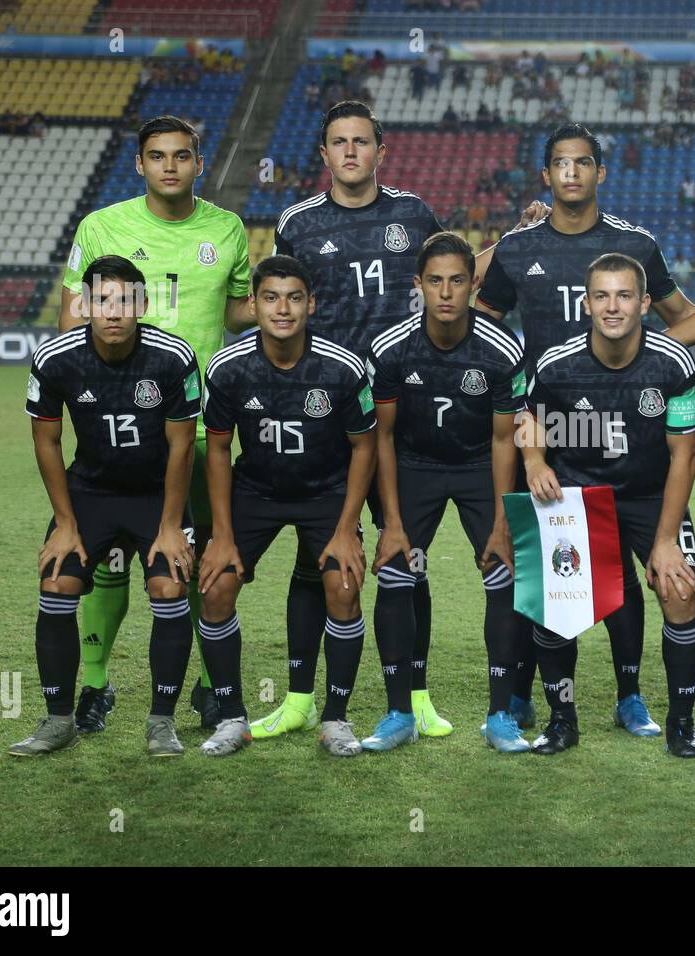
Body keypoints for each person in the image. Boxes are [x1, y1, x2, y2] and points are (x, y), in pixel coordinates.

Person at [59, 115, 252, 734]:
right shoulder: (101, 226)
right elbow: (71, 323)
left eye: (182, 156)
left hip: (201, 432)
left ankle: (206, 687)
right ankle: (93, 684)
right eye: (157, 156)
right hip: (118, 431)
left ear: (200, 161)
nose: (170, 165)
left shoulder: (227, 231)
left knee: (197, 561)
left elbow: (240, 309)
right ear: (139, 163)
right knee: (109, 561)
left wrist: (310, 293)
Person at [268, 102, 447, 738]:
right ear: (324, 154)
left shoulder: (414, 214)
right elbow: (281, 311)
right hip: (327, 414)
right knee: (314, 556)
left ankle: (416, 695)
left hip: (403, 410)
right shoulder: (297, 223)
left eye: (361, 142)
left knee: (405, 555)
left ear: (380, 150)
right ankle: (297, 698)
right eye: (338, 143)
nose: (350, 152)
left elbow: (449, 281)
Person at [12, 256, 199, 757]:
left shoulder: (173, 357)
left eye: (123, 301)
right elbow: (47, 442)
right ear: (84, 304)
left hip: (156, 494)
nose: (112, 312)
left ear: (141, 305)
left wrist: (169, 527)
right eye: (100, 300)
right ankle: (57, 721)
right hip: (90, 493)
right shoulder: (56, 358)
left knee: (169, 585)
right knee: (57, 583)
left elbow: (183, 447)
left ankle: (162, 723)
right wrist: (66, 524)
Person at [519, 254, 695, 756]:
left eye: (624, 296)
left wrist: (666, 540)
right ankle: (562, 720)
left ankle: (680, 724)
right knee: (555, 611)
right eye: (602, 296)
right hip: (578, 497)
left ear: (644, 303)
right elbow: (528, 418)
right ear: (586, 303)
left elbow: (684, 457)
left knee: (679, 591)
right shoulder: (557, 365)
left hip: (650, 497)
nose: (613, 307)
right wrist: (535, 462)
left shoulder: (675, 363)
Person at [197, 256, 378, 757]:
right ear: (253, 304)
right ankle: (232, 717)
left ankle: (335, 719)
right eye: (271, 298)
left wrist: (346, 528)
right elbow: (216, 448)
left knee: (343, 587)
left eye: (294, 298)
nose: (283, 309)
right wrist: (221, 535)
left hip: (325, 492)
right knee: (215, 589)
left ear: (311, 304)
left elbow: (364, 447)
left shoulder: (342, 368)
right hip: (255, 490)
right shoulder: (228, 368)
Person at [368, 233, 529, 752]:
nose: (445, 292)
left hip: (482, 464)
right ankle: (399, 713)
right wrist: (391, 521)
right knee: (396, 572)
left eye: (457, 281)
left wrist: (503, 523)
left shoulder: (503, 348)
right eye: (434, 281)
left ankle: (500, 715)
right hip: (414, 466)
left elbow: (506, 438)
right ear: (418, 286)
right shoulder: (391, 348)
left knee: (504, 573)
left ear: (472, 284)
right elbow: (383, 438)